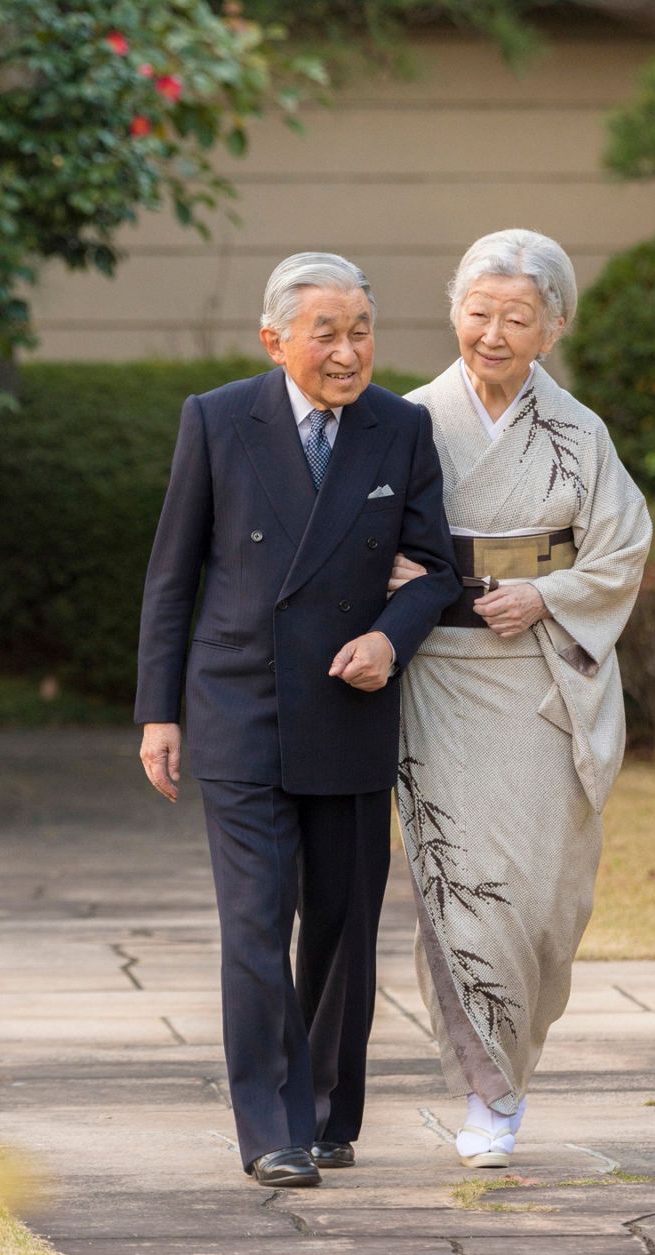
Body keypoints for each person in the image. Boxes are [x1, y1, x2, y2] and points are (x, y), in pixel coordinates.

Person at [135, 252, 460, 1188]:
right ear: (275, 341)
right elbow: (172, 576)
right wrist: (158, 712)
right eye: (328, 334)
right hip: (241, 701)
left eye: (362, 331)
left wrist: (390, 637)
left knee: (342, 927)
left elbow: (436, 568)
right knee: (254, 921)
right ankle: (269, 1127)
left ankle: (324, 1113)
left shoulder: (401, 426)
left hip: (351, 705)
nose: (349, 352)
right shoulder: (217, 418)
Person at [389, 229, 652, 1168]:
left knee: (543, 901)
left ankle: (515, 1065)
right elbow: (357, 531)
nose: (492, 334)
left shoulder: (581, 434)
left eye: (516, 318)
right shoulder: (408, 421)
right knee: (466, 893)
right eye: (478, 313)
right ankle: (487, 1093)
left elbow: (621, 550)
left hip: (542, 682)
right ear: (454, 313)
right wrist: (386, 575)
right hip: (441, 678)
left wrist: (547, 594)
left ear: (553, 328)